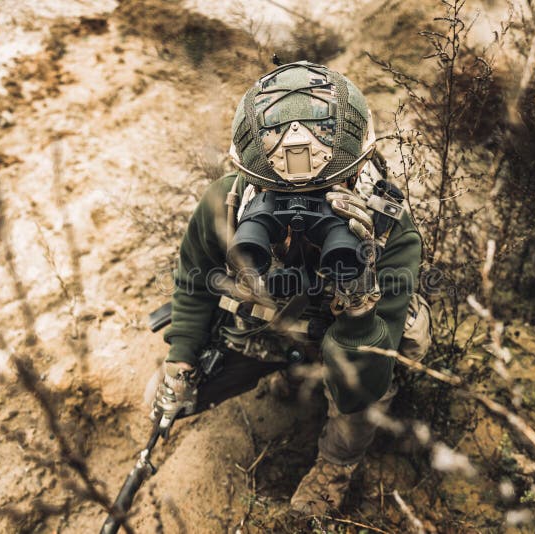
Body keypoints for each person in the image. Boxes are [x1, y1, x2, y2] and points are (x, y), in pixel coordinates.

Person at [150, 61, 426, 516]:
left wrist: (359, 296)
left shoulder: (388, 230)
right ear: (248, 179)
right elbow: (193, 279)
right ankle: (289, 370)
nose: (299, 213)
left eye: (325, 192)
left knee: (389, 358)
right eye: (273, 196)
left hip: (344, 345)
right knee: (163, 400)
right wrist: (180, 358)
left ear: (359, 170)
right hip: (269, 329)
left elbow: (364, 385)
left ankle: (337, 463)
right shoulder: (225, 203)